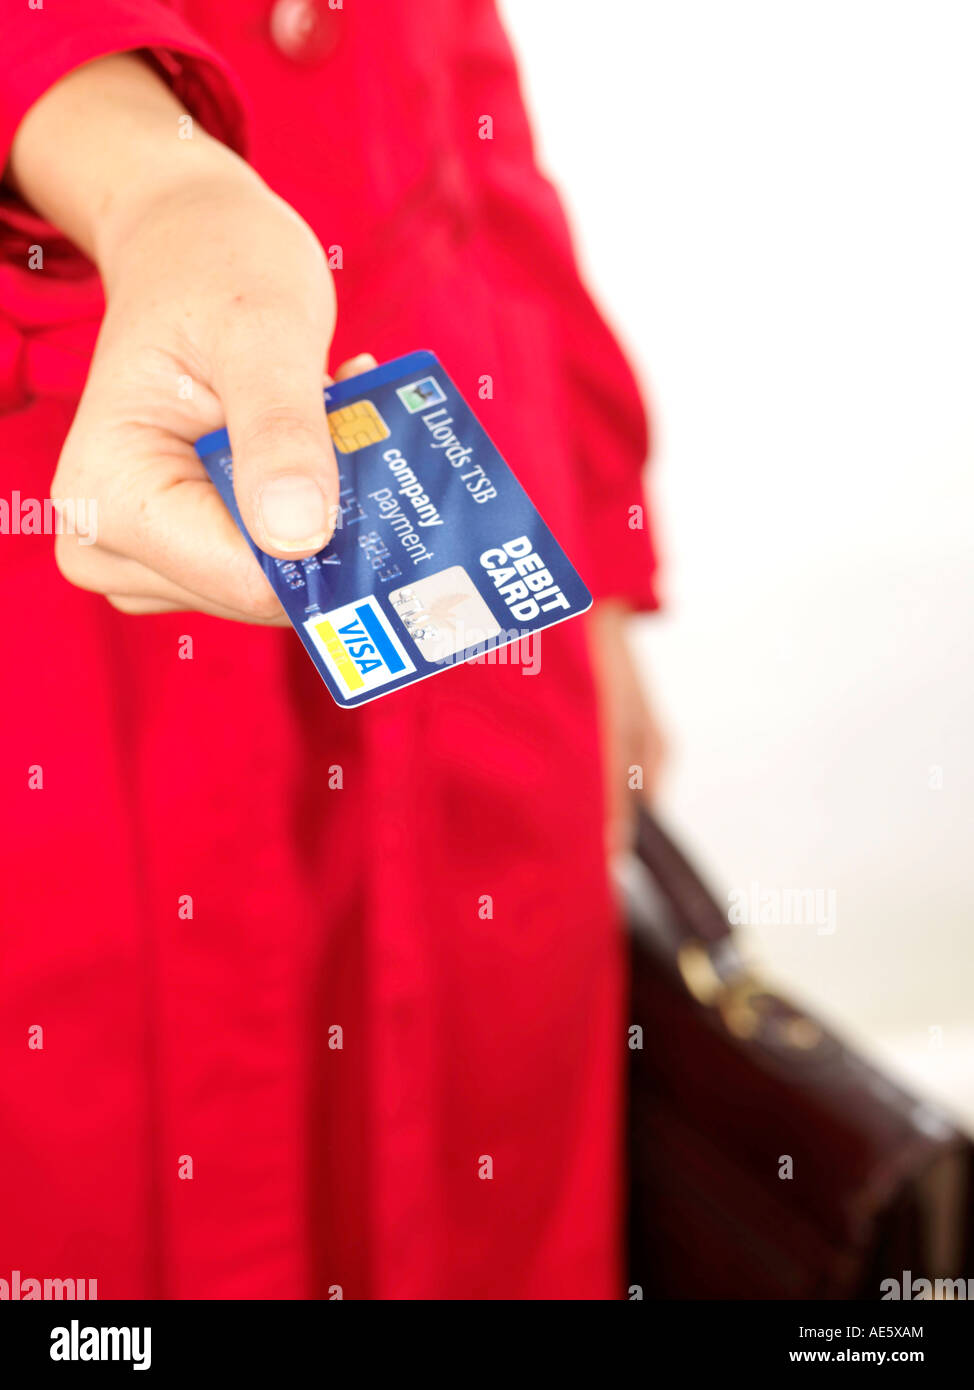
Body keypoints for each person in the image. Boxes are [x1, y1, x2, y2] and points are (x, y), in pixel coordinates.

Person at [0, 0, 663, 1299]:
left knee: (489, 1192)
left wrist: (595, 551)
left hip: (449, 551)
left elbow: (468, 96)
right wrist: (151, 182)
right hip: (75, 591)